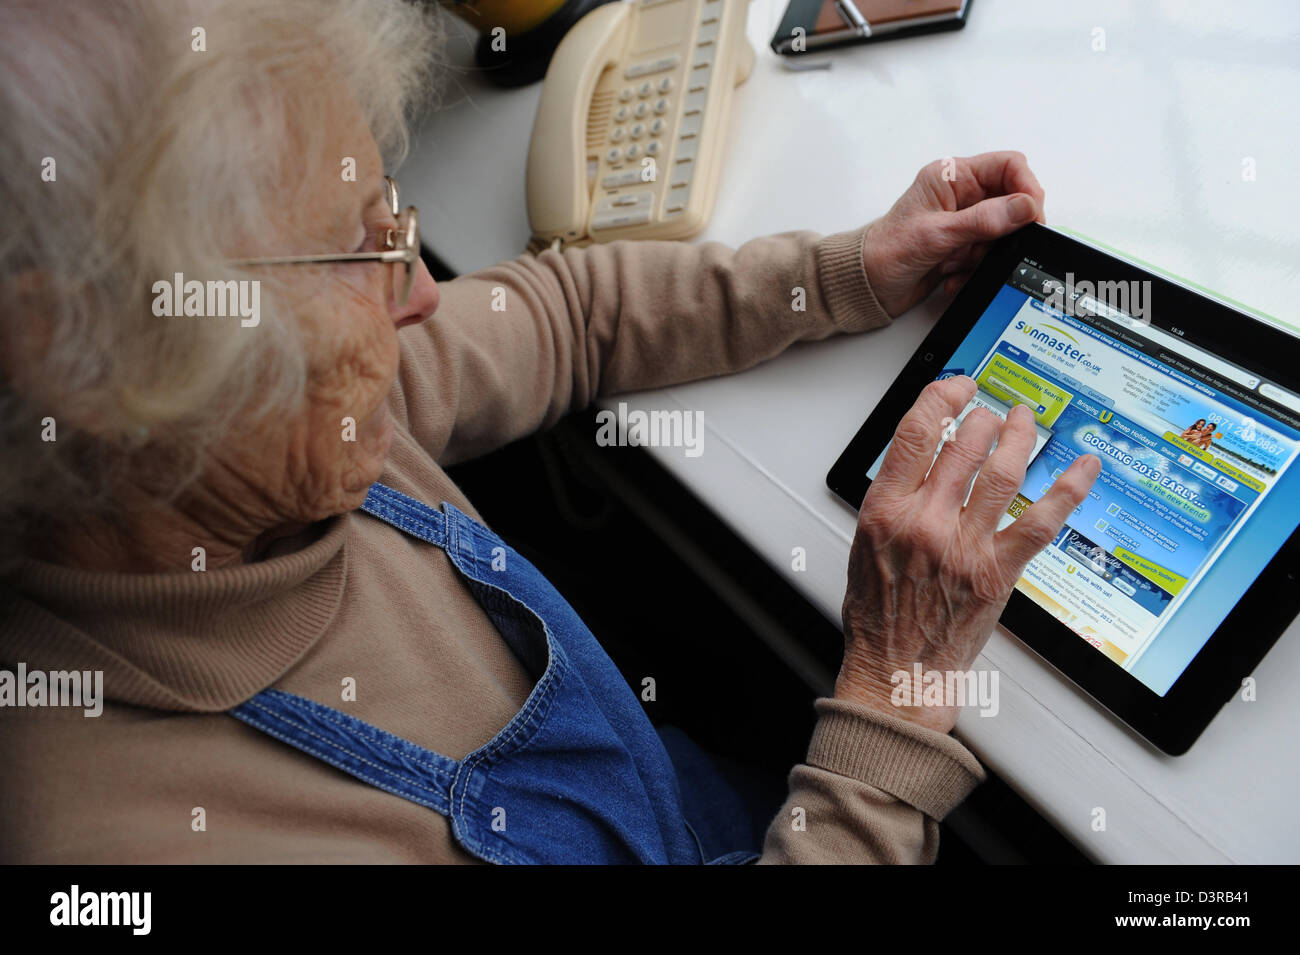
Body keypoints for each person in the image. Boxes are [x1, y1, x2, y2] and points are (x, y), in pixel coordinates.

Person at [0, 0, 1100, 863]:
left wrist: (847, 270)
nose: (422, 295)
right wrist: (889, 694)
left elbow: (564, 312)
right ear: (82, 359)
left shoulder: (252, 416)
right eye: (352, 248)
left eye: (401, 224)